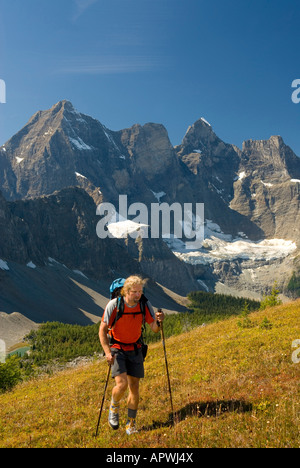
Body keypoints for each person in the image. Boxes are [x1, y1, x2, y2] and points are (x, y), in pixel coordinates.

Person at [99, 275, 165, 435]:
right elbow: (102, 330)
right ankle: (114, 407)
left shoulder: (143, 304)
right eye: (135, 292)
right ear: (126, 291)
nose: (138, 295)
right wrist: (107, 352)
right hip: (117, 348)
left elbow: (154, 329)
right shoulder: (114, 305)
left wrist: (159, 321)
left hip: (135, 348)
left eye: (140, 291)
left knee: (134, 387)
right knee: (121, 385)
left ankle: (131, 424)